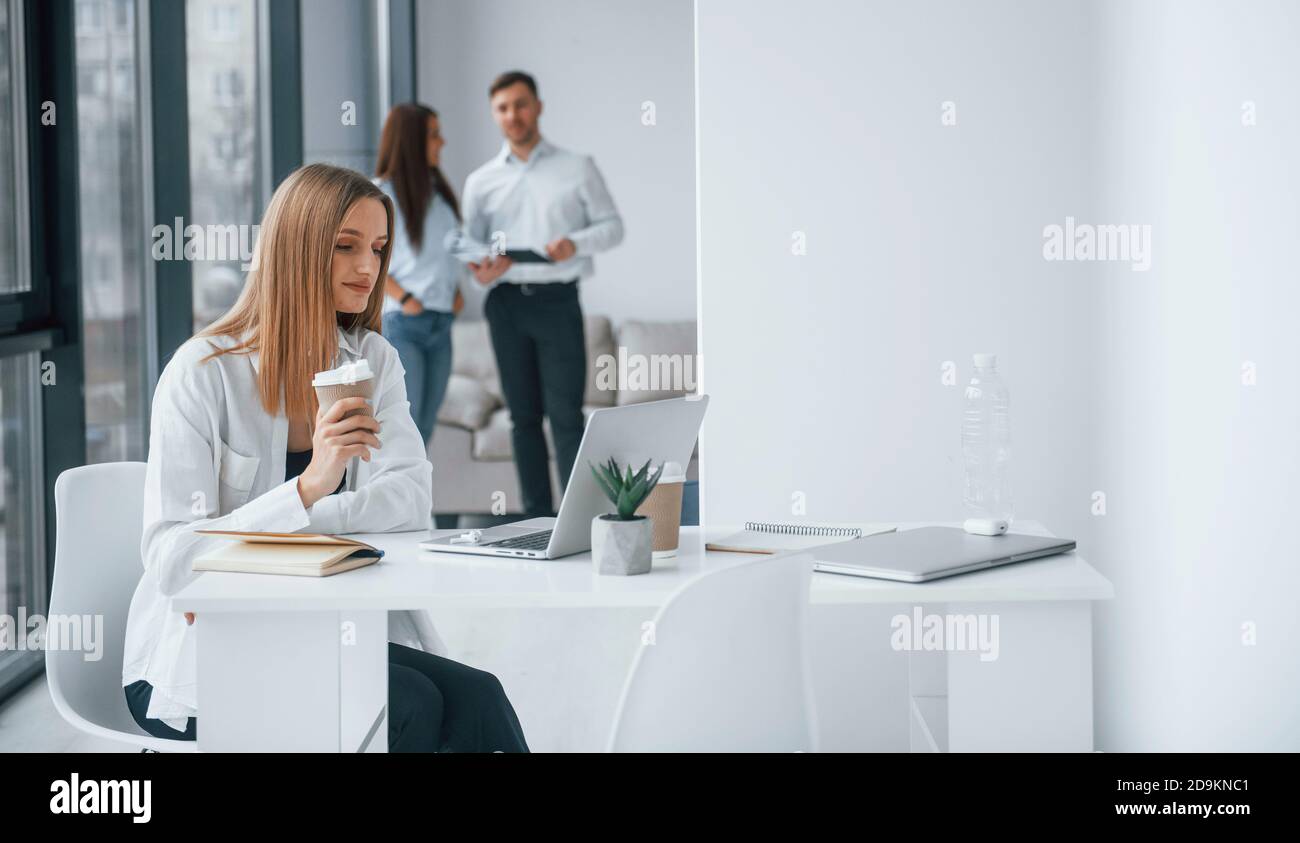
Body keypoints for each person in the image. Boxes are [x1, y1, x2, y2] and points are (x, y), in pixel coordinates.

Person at [120, 163, 528, 752]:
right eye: (346, 246)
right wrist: (310, 486)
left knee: (477, 696)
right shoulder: (202, 374)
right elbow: (175, 560)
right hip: (202, 654)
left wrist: (291, 527)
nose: (369, 268)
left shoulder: (373, 361)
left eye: (379, 248)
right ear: (296, 250)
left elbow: (411, 502)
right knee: (407, 707)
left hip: (318, 628)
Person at [457, 70, 624, 517]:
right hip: (506, 304)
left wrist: (576, 244)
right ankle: (536, 521)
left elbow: (613, 227)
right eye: (503, 107)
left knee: (566, 418)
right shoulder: (480, 182)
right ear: (494, 114)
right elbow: (470, 254)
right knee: (522, 418)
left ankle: (576, 521)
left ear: (538, 106)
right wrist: (483, 271)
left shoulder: (577, 166)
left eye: (521, 104)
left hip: (558, 302)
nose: (513, 115)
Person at [375, 103, 464, 446]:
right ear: (411, 141)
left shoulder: (438, 196)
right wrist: (405, 298)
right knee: (404, 430)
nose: (441, 142)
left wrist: (456, 290)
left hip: (441, 324)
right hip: (404, 325)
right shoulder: (382, 194)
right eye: (433, 135)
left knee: (424, 429)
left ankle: (414, 502)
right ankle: (394, 500)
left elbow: (446, 252)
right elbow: (369, 261)